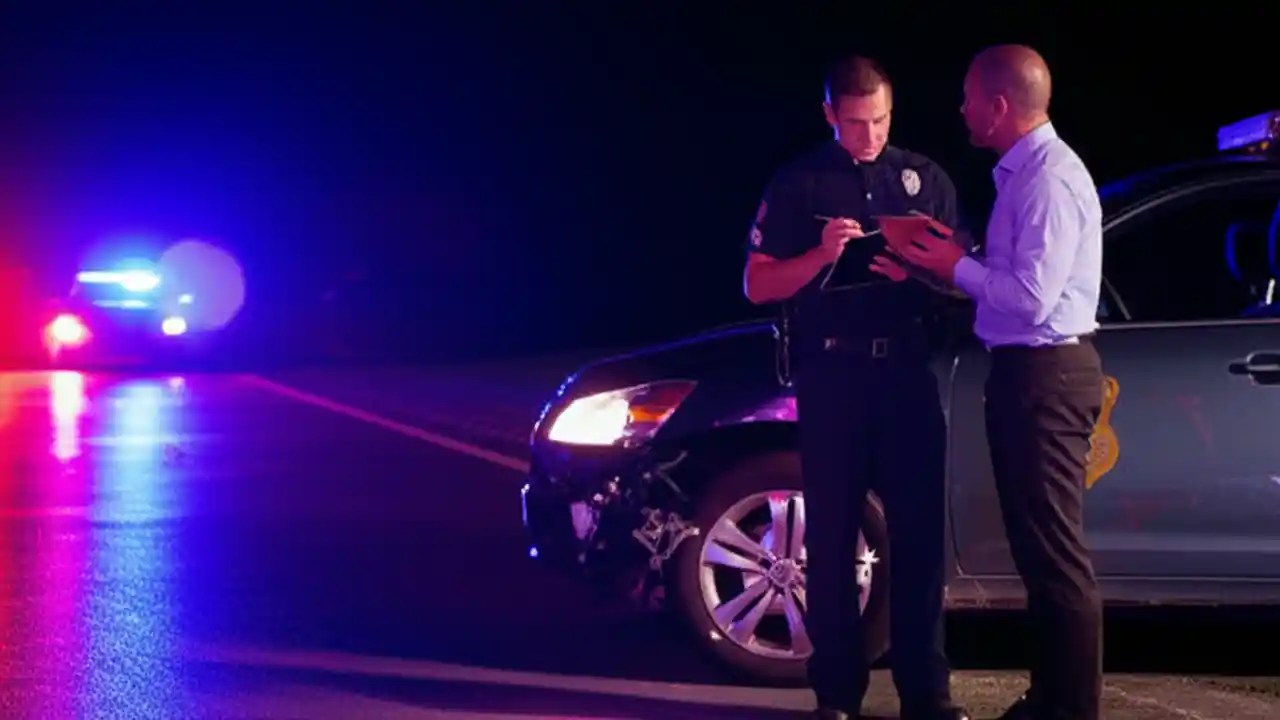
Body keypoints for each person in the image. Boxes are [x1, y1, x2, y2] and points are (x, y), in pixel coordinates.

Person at [743, 54, 970, 720]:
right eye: (855, 122)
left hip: (905, 372)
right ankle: (837, 695)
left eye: (880, 120)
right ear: (829, 116)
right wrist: (821, 257)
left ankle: (927, 693)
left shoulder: (924, 178)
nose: (869, 134)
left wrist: (920, 275)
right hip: (833, 376)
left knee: (919, 537)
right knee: (834, 537)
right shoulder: (799, 182)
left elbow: (963, 277)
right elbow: (756, 284)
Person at [894, 44, 1106, 720]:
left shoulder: (1045, 180)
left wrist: (957, 265)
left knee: (1054, 555)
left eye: (968, 97)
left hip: (1045, 374)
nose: (960, 109)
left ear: (999, 105)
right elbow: (1013, 281)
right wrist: (945, 266)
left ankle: (1069, 709)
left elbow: (1031, 300)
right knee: (1040, 551)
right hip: (1029, 374)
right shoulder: (1026, 174)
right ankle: (1052, 697)